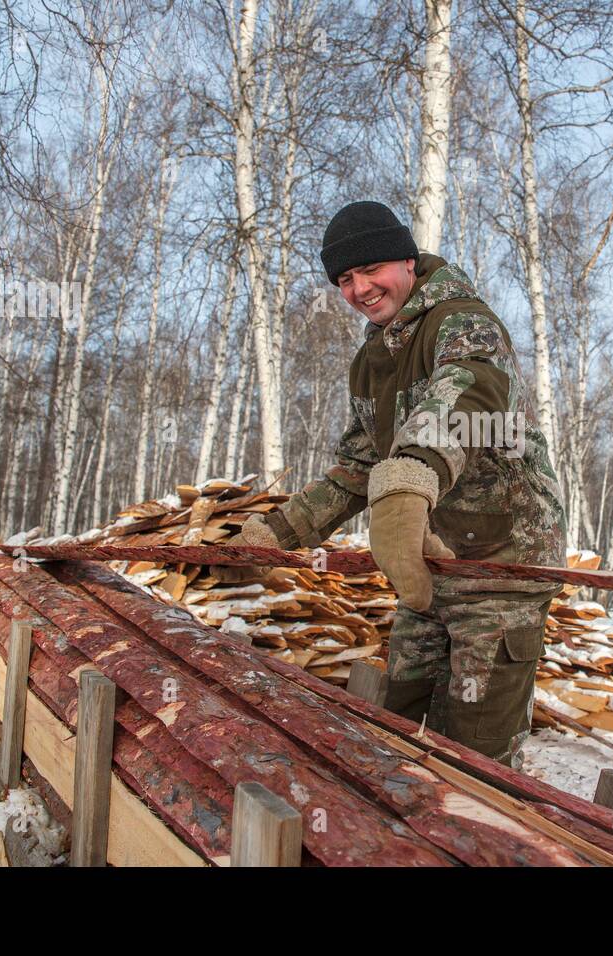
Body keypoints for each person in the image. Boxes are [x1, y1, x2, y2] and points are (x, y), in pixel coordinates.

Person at [235, 200, 566, 768]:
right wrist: (276, 533)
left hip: (499, 563)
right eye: (345, 278)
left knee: (474, 748)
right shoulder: (372, 357)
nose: (360, 288)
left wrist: (409, 481)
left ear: (408, 261)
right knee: (401, 722)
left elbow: (469, 397)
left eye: (372, 269)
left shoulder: (463, 321)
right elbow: (359, 464)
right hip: (429, 563)